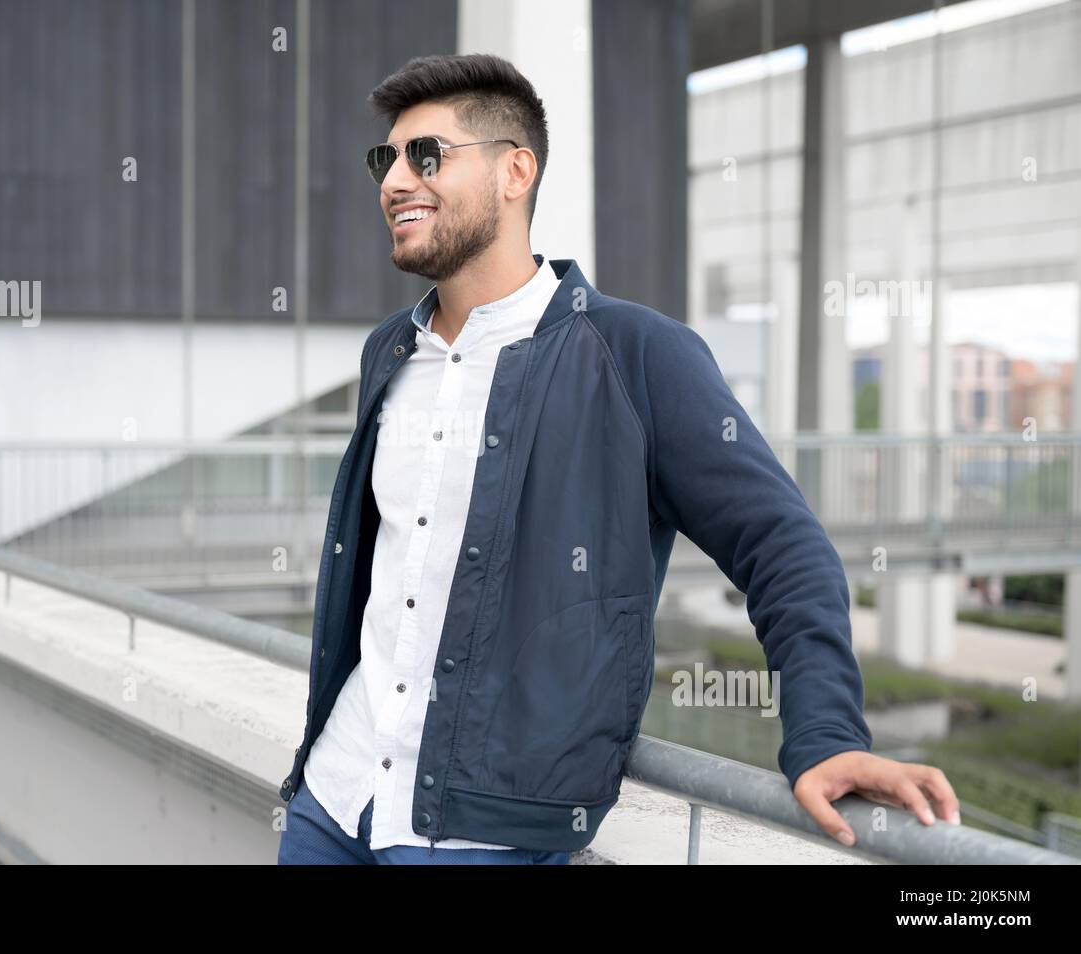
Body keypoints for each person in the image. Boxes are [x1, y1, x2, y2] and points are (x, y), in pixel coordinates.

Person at [277, 52, 959, 866]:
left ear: (514, 171)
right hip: (332, 799)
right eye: (383, 159)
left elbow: (783, 545)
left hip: (479, 835)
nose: (393, 180)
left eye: (426, 155)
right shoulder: (389, 352)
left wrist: (825, 733)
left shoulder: (639, 356)